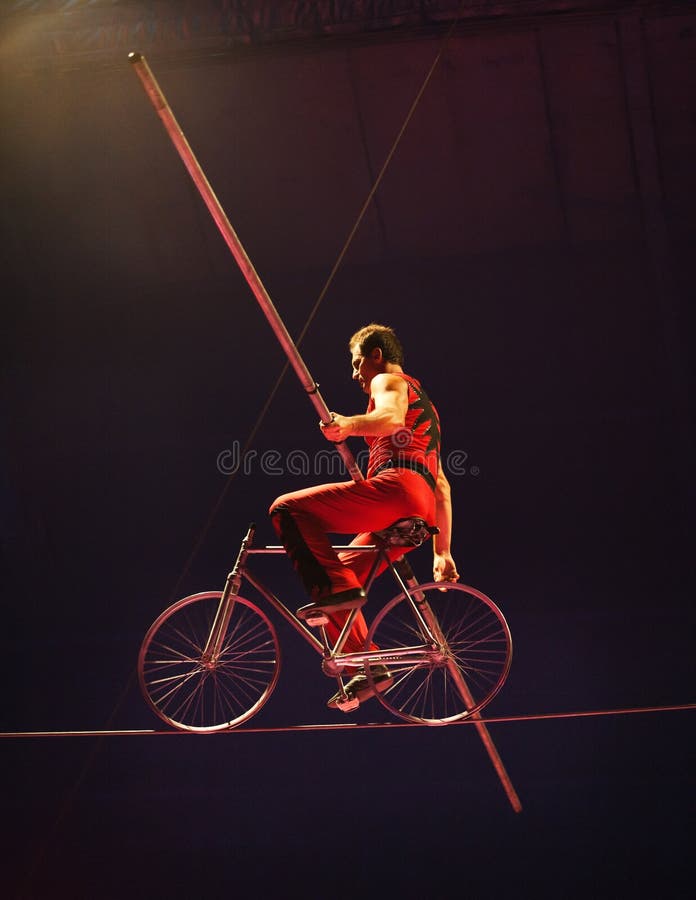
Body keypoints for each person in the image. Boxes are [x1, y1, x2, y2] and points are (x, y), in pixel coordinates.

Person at [269, 323, 459, 708]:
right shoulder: (427, 409)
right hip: (417, 514)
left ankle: (337, 595)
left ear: (376, 356)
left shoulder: (389, 382)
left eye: (358, 364)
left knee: (286, 509)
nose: (355, 375)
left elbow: (389, 419)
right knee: (341, 571)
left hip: (396, 492)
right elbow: (441, 487)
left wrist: (349, 425)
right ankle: (368, 665)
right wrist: (442, 551)